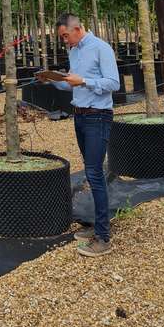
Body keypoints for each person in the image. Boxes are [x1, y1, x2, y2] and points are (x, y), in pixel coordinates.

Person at [37, 13, 119, 257]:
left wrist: (84, 81)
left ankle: (103, 237)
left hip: (98, 116)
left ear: (78, 28)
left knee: (94, 172)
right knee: (90, 170)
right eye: (61, 37)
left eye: (65, 36)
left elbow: (113, 83)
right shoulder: (74, 51)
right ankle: (98, 223)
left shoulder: (101, 48)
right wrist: (51, 80)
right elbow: (69, 83)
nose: (64, 41)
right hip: (81, 116)